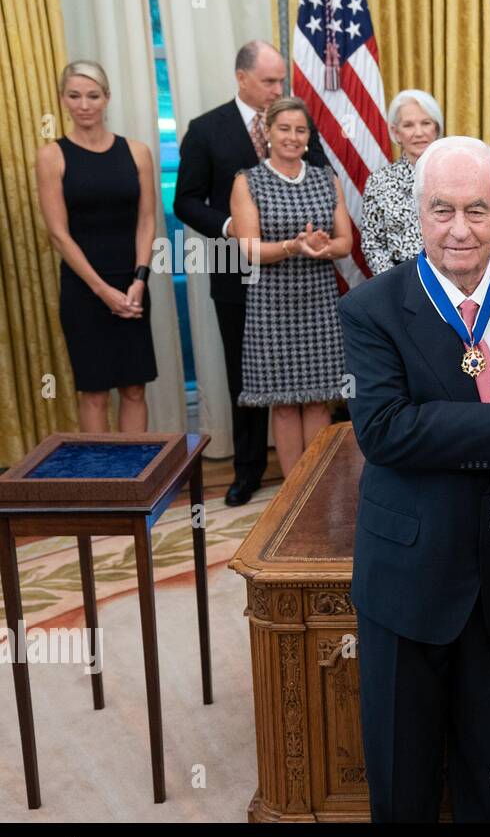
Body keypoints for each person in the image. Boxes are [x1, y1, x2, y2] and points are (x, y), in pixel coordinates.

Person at [337, 136, 490, 822]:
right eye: (441, 209)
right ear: (419, 212)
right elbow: (384, 429)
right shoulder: (372, 308)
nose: (458, 229)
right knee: (404, 779)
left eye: (476, 210)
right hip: (406, 578)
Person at [173, 40, 329, 505]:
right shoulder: (206, 130)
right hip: (237, 273)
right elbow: (184, 200)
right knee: (249, 378)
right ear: (241, 78)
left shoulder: (296, 124)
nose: (276, 88)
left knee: (306, 381)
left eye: (281, 80)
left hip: (302, 275)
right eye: (268, 80)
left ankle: (312, 476)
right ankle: (248, 470)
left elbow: (319, 178)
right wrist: (232, 227)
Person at [229, 97, 350, 476]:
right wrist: (292, 247)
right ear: (267, 132)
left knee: (317, 400)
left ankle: (315, 487)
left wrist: (325, 247)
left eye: (300, 130)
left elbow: (346, 241)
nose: (293, 137)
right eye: (284, 129)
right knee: (282, 404)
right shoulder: (248, 180)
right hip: (272, 304)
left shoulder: (324, 177)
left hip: (319, 301)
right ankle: (291, 491)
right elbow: (247, 248)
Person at [35, 61, 158, 433]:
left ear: (107, 99)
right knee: (94, 392)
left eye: (92, 95)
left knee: (135, 388)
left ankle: (138, 484)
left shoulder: (137, 152)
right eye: (74, 96)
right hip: (84, 288)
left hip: (132, 283)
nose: (84, 105)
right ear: (63, 100)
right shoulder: (51, 156)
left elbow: (147, 220)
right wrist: (102, 290)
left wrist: (139, 280)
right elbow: (58, 234)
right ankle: (104, 486)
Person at [361, 89, 444, 274]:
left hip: (451, 278)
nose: (419, 132)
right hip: (398, 279)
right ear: (396, 132)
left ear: (436, 128)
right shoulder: (379, 182)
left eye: (426, 123)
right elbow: (372, 244)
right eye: (408, 125)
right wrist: (395, 284)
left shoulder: (455, 176)